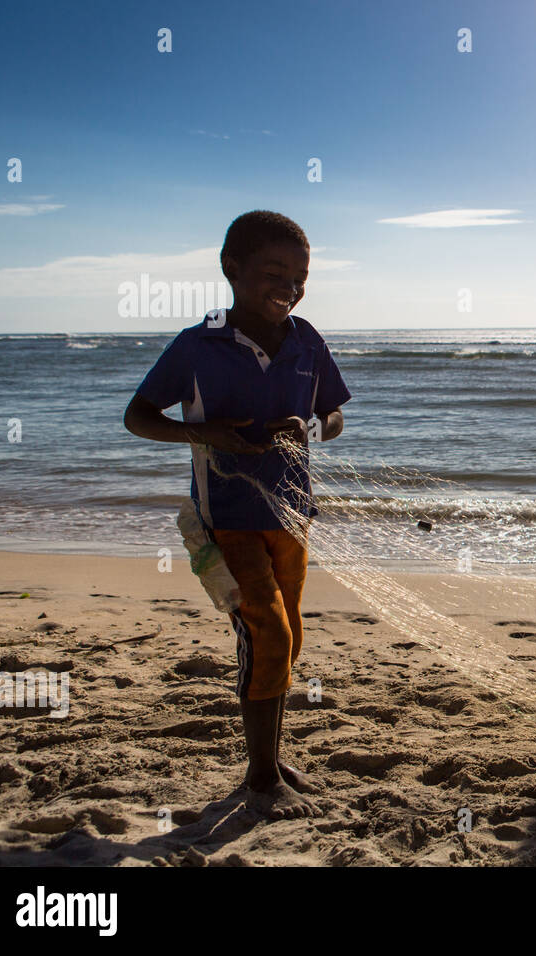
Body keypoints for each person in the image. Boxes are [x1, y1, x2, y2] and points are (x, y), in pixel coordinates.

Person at [124, 210, 350, 818]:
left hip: (293, 514)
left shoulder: (307, 339)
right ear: (232, 269)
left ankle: (271, 758)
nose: (289, 285)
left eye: (300, 275)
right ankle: (260, 778)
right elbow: (138, 416)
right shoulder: (200, 344)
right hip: (224, 519)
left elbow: (334, 414)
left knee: (288, 637)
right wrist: (207, 435)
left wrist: (310, 425)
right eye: (274, 271)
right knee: (266, 633)